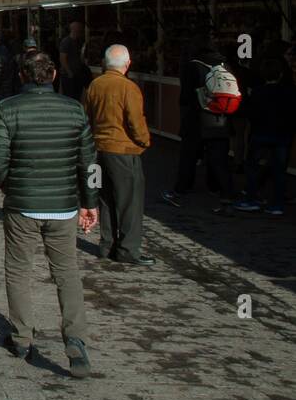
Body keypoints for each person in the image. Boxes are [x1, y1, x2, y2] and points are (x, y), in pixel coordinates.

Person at [0, 51, 99, 378]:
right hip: (63, 205)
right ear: (52, 76)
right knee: (66, 271)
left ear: (21, 75)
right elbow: (89, 164)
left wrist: (12, 185)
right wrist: (89, 201)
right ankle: (75, 336)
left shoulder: (6, 110)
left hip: (22, 204)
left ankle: (22, 337)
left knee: (19, 270)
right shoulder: (74, 111)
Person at [84, 45, 154, 265]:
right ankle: (128, 249)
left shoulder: (95, 85)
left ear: (105, 63)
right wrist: (144, 141)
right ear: (128, 63)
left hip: (99, 148)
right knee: (129, 202)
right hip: (123, 151)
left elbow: (87, 115)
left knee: (106, 199)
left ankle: (107, 245)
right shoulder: (129, 88)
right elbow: (136, 121)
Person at [161, 33, 234, 209]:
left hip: (196, 118)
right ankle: (221, 189)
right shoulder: (224, 64)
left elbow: (186, 95)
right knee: (218, 157)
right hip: (219, 117)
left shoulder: (192, 66)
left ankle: (181, 189)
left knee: (189, 156)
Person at [233, 56, 296, 215]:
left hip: (260, 133)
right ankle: (277, 205)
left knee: (253, 168)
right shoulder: (289, 92)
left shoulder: (258, 92)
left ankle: (251, 199)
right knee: (279, 171)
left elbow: (250, 112)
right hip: (282, 135)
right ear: (280, 74)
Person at [58, 21, 91, 100]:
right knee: (69, 97)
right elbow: (62, 58)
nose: (81, 30)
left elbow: (80, 57)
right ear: (73, 29)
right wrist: (69, 72)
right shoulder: (66, 41)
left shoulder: (79, 41)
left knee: (77, 96)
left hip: (77, 74)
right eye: (79, 28)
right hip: (69, 75)